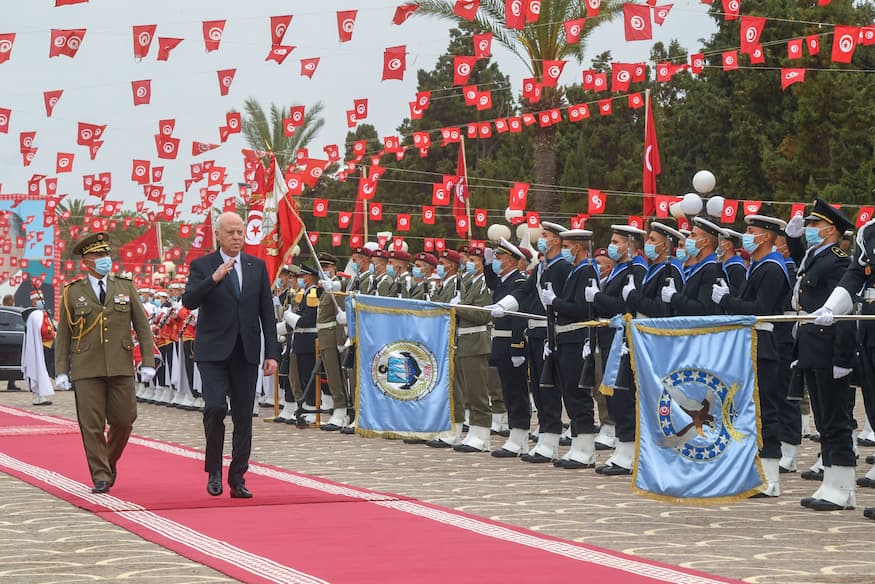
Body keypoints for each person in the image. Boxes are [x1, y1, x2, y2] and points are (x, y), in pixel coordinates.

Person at [181, 212, 279, 499]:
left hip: (245, 352)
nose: (237, 237)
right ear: (219, 235)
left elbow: (266, 314)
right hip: (213, 352)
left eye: (240, 232)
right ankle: (214, 470)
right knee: (214, 408)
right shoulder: (202, 265)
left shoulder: (256, 266)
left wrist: (272, 353)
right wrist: (214, 278)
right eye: (231, 233)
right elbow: (188, 301)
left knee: (243, 416)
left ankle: (238, 477)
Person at [54, 232, 156, 494]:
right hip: (86, 367)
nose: (104, 260)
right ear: (86, 261)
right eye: (98, 255)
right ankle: (100, 475)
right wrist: (61, 370)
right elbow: (64, 334)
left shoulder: (125, 286)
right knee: (92, 425)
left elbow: (143, 327)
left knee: (124, 419)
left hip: (120, 365)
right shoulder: (72, 292)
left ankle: (108, 462)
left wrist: (147, 361)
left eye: (106, 255)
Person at [783, 199, 857, 511]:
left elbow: (846, 308)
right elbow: (802, 263)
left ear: (830, 230)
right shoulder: (817, 256)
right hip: (812, 346)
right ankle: (831, 482)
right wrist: (792, 239)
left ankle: (843, 488)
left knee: (836, 418)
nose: (810, 229)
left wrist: (843, 357)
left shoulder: (839, 260)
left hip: (828, 348)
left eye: (814, 225)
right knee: (823, 420)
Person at [712, 214, 790, 497]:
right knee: (751, 410)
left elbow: (761, 308)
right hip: (752, 341)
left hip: (765, 343)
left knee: (766, 410)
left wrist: (728, 300)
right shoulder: (757, 266)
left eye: (751, 231)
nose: (746, 235)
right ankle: (754, 472)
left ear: (766, 236)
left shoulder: (772, 268)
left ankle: (770, 478)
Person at [485, 238, 530, 457]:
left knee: (516, 392)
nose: (496, 261)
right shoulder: (505, 281)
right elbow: (491, 283)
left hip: (511, 341)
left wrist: (517, 346)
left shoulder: (519, 282)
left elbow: (519, 318)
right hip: (500, 340)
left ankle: (520, 436)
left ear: (511, 261)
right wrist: (487, 265)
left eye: (499, 257)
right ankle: (516, 435)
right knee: (508, 390)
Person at [21, 290, 55, 405]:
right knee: (37, 369)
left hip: (43, 346)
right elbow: (43, 330)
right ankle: (38, 396)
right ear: (34, 301)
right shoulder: (35, 315)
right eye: (39, 299)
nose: (41, 301)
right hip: (38, 346)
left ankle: (40, 395)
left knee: (41, 369)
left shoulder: (39, 313)